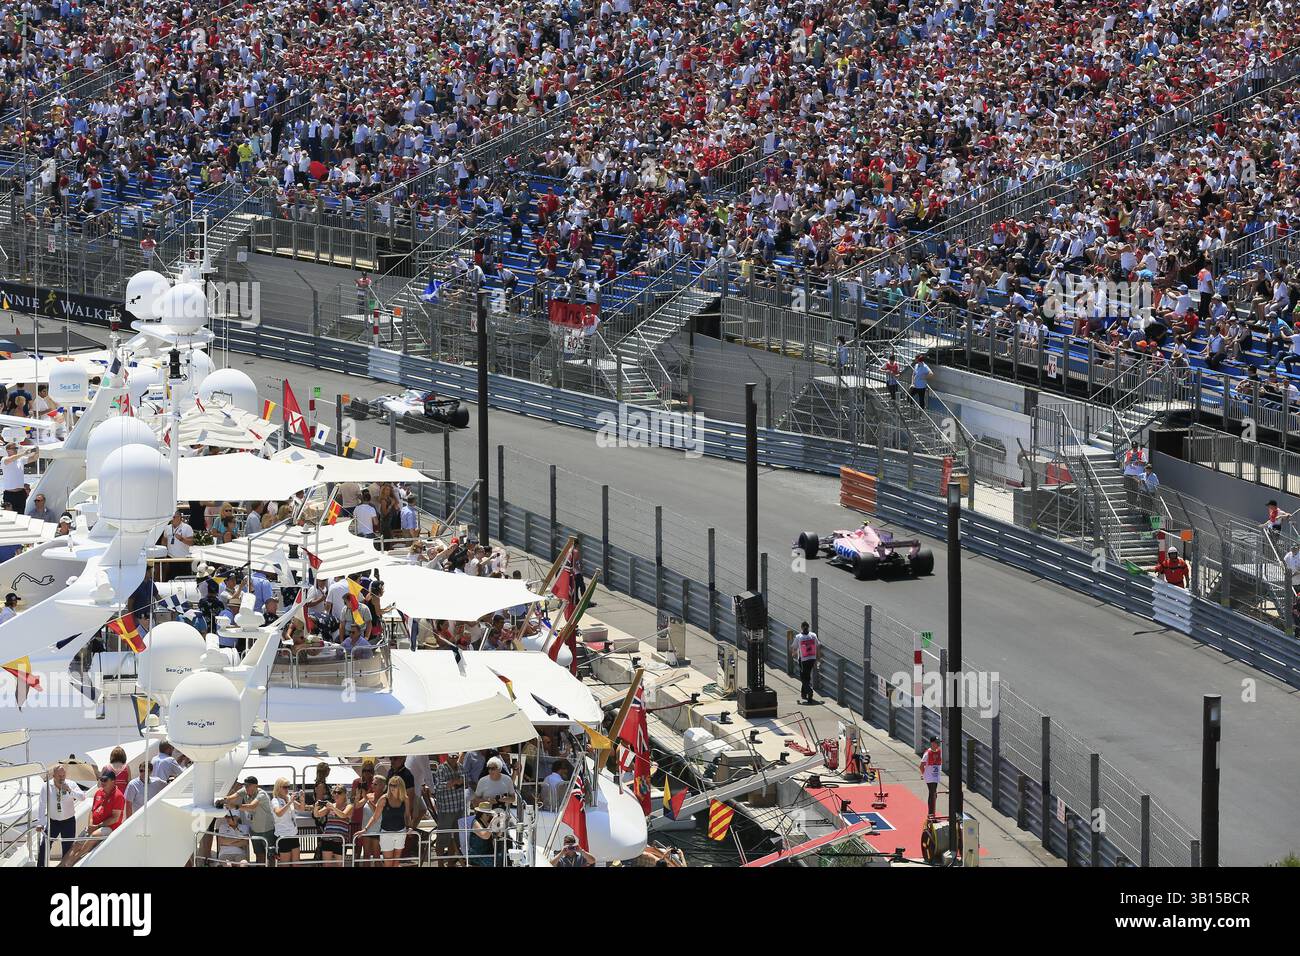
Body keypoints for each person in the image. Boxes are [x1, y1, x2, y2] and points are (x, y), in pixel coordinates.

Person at [37, 764, 86, 867]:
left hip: (68, 821)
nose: (62, 778)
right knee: (44, 845)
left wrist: (69, 790)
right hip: (53, 821)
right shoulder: (46, 786)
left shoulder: (71, 784)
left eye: (63, 775)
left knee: (67, 849)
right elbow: (42, 805)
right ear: (53, 775)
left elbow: (82, 797)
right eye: (59, 776)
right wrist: (41, 823)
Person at [427, 753, 467, 865]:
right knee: (443, 837)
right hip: (446, 809)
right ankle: (440, 863)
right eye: (452, 757)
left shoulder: (461, 767)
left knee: (456, 837)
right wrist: (453, 782)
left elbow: (466, 782)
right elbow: (438, 787)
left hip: (459, 807)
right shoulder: (441, 768)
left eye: (455, 757)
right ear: (448, 757)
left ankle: (450, 862)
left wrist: (462, 782)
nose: (454, 760)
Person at [226, 776, 276, 864]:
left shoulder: (262, 794)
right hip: (255, 831)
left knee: (270, 856)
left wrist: (234, 806)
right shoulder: (244, 790)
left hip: (267, 830)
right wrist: (222, 801)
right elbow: (231, 797)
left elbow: (252, 806)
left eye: (248, 785)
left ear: (256, 786)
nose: (246, 787)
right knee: (259, 855)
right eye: (245, 785)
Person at [270, 777, 308, 865]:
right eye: (285, 787)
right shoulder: (275, 800)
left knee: (296, 863)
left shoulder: (288, 797)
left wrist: (302, 799)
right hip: (283, 835)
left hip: (293, 833)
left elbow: (301, 809)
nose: (287, 789)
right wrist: (290, 802)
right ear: (278, 788)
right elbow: (278, 813)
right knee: (285, 864)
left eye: (288, 786)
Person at [378, 776, 413, 866]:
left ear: (400, 786)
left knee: (396, 862)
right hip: (386, 832)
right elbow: (375, 817)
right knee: (388, 862)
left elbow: (407, 815)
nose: (392, 787)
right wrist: (365, 829)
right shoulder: (383, 799)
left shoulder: (405, 799)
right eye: (390, 785)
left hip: (400, 832)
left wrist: (410, 827)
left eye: (395, 785)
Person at [314, 785, 353, 866]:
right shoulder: (331, 806)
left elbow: (343, 815)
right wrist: (316, 807)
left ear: (345, 794)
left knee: (339, 864)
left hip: (340, 839)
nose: (336, 794)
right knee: (326, 864)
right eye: (334, 792)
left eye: (339, 792)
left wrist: (332, 807)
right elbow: (317, 815)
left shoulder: (349, 806)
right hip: (327, 838)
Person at [1, 442, 36, 515]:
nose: (16, 450)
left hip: (20, 493)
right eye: (15, 448)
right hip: (9, 494)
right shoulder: (4, 459)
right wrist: (23, 453)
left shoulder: (20, 460)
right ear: (8, 450)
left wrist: (37, 450)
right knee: (9, 515)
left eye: (16, 448)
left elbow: (34, 458)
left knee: (20, 515)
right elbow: (11, 459)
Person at [920, 736, 942, 821]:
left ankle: (932, 813)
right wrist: (924, 774)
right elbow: (921, 766)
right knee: (932, 793)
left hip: (935, 776)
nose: (938, 744)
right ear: (932, 743)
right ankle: (931, 815)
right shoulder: (927, 753)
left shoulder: (939, 751)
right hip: (929, 776)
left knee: (933, 794)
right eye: (937, 742)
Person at [796, 621, 819, 705]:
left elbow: (793, 647)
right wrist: (817, 658)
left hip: (803, 660)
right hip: (812, 659)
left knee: (803, 678)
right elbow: (818, 646)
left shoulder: (799, 637)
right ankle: (803, 694)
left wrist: (793, 652)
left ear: (801, 627)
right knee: (807, 676)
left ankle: (809, 692)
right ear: (808, 627)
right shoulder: (813, 635)